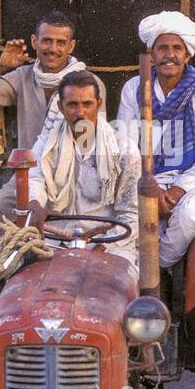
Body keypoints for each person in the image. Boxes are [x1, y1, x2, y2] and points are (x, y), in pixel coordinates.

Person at [0, 10, 105, 243]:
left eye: (61, 42)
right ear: (34, 42)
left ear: (71, 47)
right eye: (47, 40)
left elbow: (91, 143)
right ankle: (15, 267)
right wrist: (1, 66)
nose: (53, 48)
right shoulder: (23, 77)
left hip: (75, 173)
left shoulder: (89, 84)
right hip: (30, 174)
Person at [115, 11, 195, 269]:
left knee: (191, 218)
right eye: (162, 48)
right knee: (118, 222)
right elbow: (126, 146)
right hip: (142, 179)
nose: (170, 55)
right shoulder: (135, 87)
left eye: (177, 48)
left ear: (187, 54)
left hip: (191, 183)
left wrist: (175, 193)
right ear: (151, 54)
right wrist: (149, 188)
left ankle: (155, 268)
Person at [24, 71, 140, 281]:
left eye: (87, 104)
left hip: (110, 244)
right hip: (54, 241)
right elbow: (35, 179)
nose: (81, 112)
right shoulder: (47, 143)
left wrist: (99, 250)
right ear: (61, 107)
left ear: (99, 104)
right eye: (72, 105)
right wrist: (35, 203)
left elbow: (130, 215)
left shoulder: (123, 149)